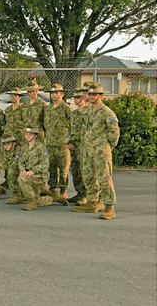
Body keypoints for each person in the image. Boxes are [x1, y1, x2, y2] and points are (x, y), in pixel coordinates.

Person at [74, 82, 119, 220]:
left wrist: (107, 147)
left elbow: (114, 133)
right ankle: (93, 202)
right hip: (87, 149)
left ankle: (109, 207)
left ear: (101, 95)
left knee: (104, 179)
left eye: (95, 94)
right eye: (90, 94)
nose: (92, 96)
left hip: (101, 151)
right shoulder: (87, 111)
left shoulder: (107, 112)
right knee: (88, 177)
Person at [18, 127, 68, 210]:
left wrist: (32, 172)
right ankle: (53, 198)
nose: (28, 136)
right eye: (26, 134)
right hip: (29, 175)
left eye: (31, 134)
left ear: (36, 135)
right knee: (38, 199)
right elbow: (21, 161)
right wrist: (23, 170)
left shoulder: (41, 148)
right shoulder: (25, 147)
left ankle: (32, 202)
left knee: (22, 178)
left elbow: (44, 164)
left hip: (39, 176)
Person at [43, 83, 72, 199]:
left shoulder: (66, 108)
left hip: (62, 144)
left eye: (56, 93)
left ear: (62, 94)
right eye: (52, 93)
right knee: (51, 167)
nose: (54, 95)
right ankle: (53, 188)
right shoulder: (47, 109)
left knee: (63, 168)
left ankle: (63, 189)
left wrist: (68, 138)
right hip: (50, 142)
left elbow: (72, 124)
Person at [66, 85, 89, 204]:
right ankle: (79, 193)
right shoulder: (73, 113)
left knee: (84, 170)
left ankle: (85, 195)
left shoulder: (88, 112)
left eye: (78, 97)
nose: (75, 100)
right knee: (74, 170)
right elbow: (68, 128)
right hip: (73, 146)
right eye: (74, 98)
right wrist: (69, 142)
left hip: (84, 146)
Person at [0, 134, 24, 205]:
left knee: (11, 171)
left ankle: (17, 195)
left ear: (14, 143)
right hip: (14, 169)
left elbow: (17, 163)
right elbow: (2, 163)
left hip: (23, 170)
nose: (6, 146)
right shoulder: (4, 151)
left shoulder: (19, 150)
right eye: (4, 144)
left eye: (8, 143)